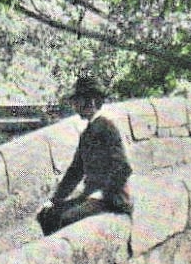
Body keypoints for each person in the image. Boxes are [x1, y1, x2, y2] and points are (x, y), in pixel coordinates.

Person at [37, 75, 134, 235]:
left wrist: (102, 193)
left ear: (92, 101)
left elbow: (123, 168)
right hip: (92, 196)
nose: (75, 105)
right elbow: (75, 172)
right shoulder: (87, 133)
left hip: (111, 199)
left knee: (67, 219)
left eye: (78, 100)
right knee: (47, 215)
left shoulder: (106, 127)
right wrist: (53, 200)